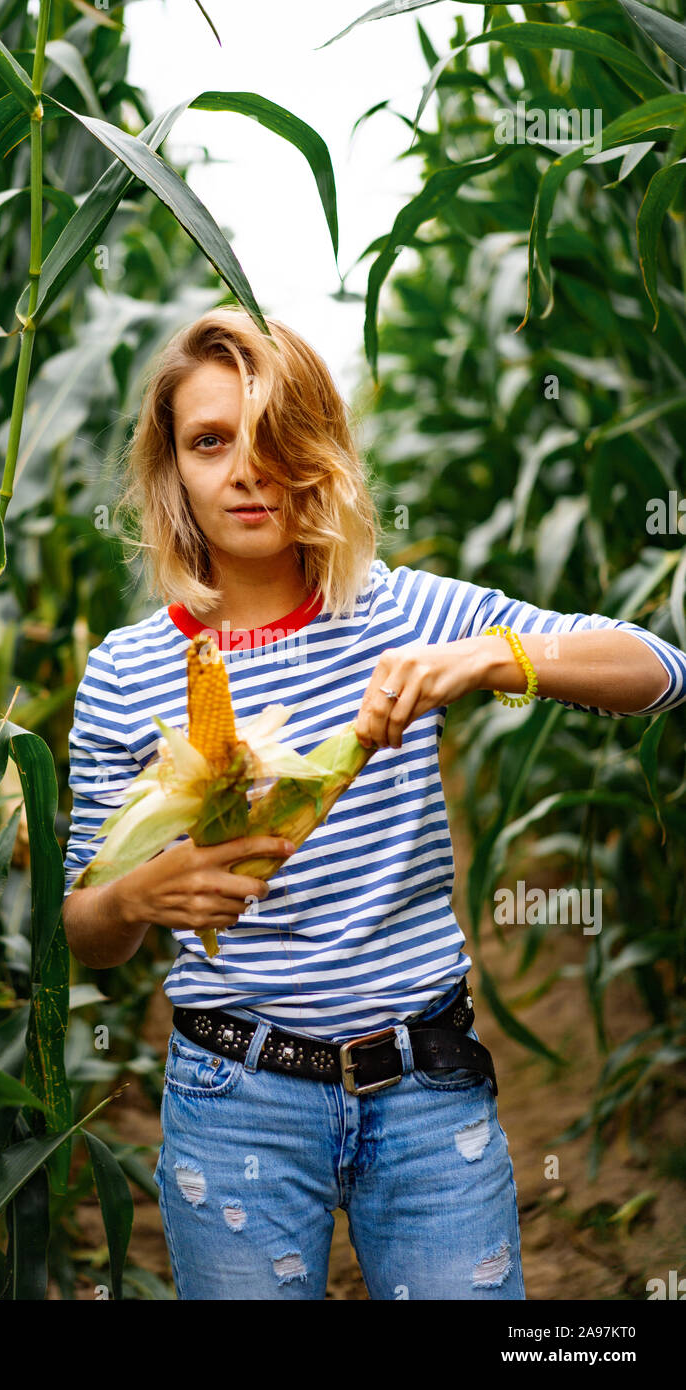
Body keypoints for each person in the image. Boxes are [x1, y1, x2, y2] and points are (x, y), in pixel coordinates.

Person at [61, 307, 686, 1300]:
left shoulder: (402, 611)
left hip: (425, 1085)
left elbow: (659, 666)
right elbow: (84, 928)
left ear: (312, 445)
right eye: (208, 441)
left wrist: (490, 655)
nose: (243, 469)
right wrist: (142, 894)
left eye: (270, 433)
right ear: (171, 466)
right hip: (233, 1099)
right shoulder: (128, 672)